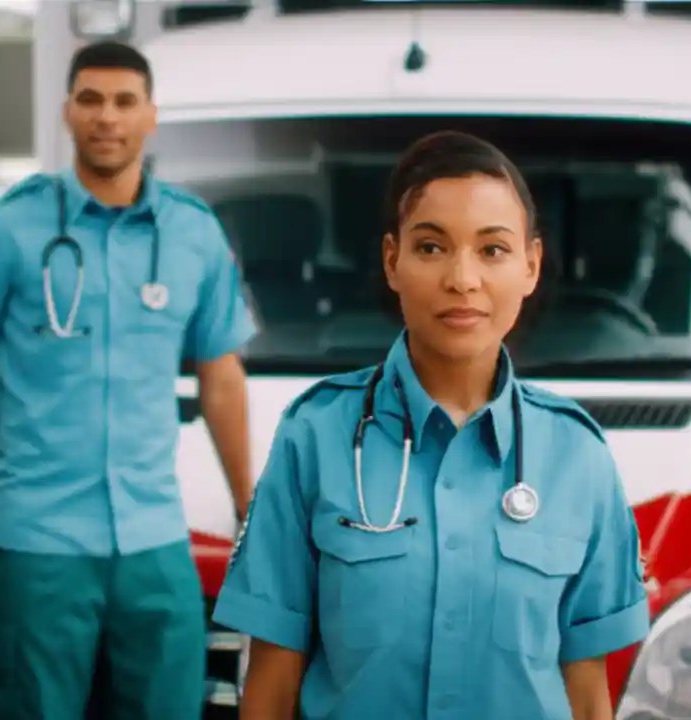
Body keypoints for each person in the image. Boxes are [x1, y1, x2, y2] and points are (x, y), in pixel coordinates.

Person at [212, 130, 649, 719]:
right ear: (393, 261)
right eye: (431, 247)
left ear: (531, 265)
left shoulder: (578, 457)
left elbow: (588, 691)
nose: (462, 279)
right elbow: (270, 681)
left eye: (492, 250)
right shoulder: (314, 436)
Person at [0, 41, 258, 718]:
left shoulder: (193, 235)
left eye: (125, 101)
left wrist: (251, 513)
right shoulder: (12, 228)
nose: (108, 117)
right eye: (91, 100)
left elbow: (222, 381)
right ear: (68, 112)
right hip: (33, 545)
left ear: (150, 115)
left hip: (155, 543)